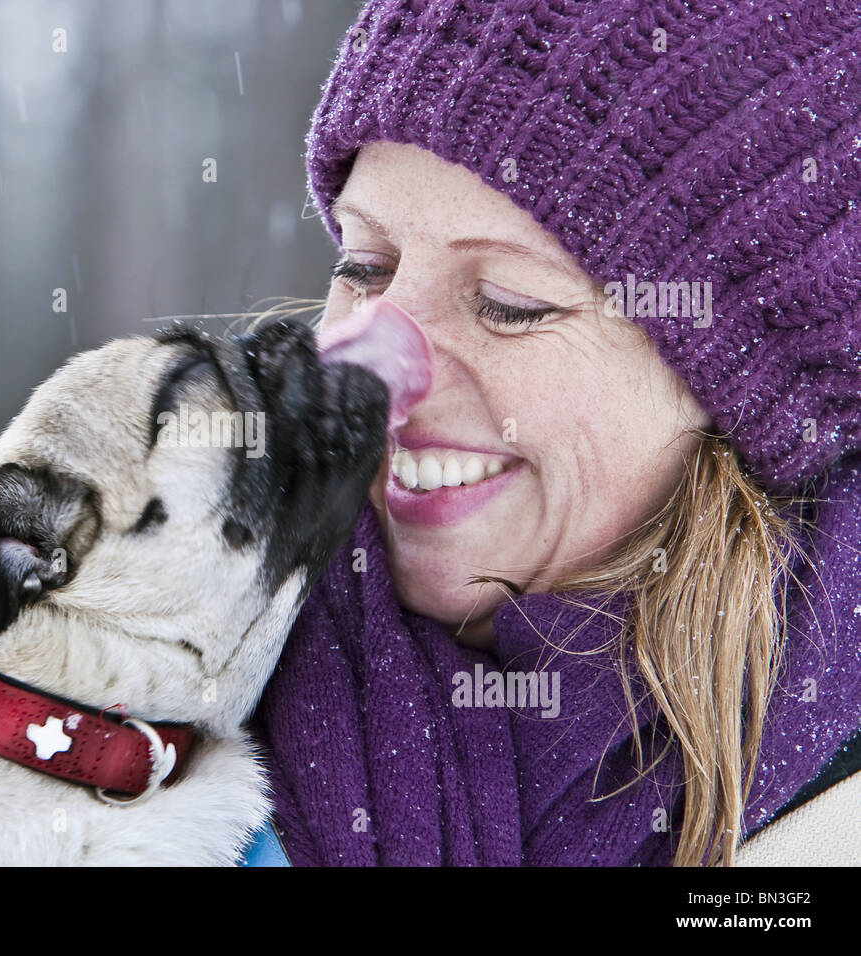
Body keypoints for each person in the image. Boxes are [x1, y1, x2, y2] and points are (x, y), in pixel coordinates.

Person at [246, 0, 861, 866]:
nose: (367, 370)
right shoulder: (147, 722)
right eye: (363, 267)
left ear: (740, 389)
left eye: (509, 304)